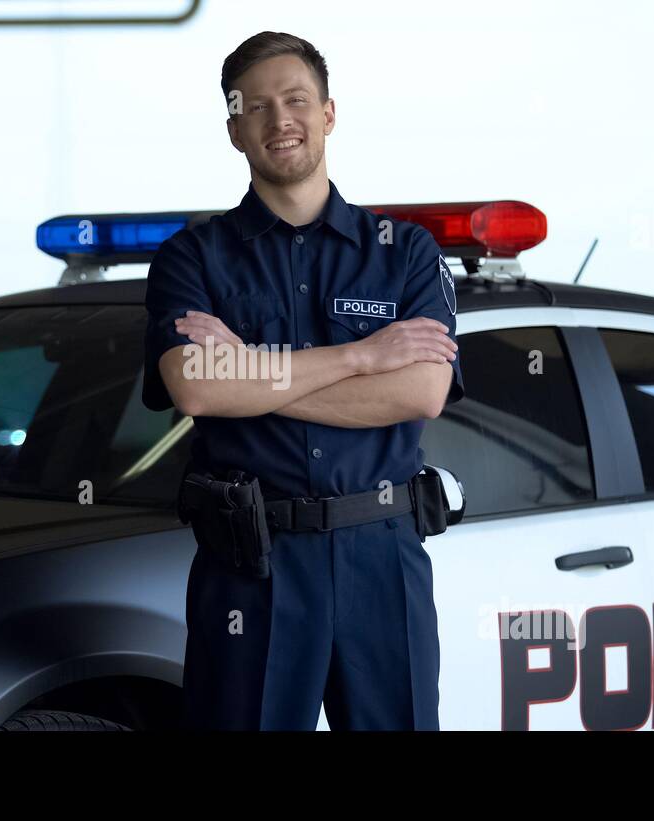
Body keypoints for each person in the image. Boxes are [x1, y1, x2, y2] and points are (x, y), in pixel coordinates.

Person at [142, 30, 464, 730]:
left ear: (329, 113)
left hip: (382, 554)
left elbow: (420, 393)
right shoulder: (191, 258)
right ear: (234, 129)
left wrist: (251, 371)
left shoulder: (404, 253)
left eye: (295, 100)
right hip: (250, 567)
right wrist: (361, 356)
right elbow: (197, 387)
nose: (278, 119)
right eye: (255, 107)